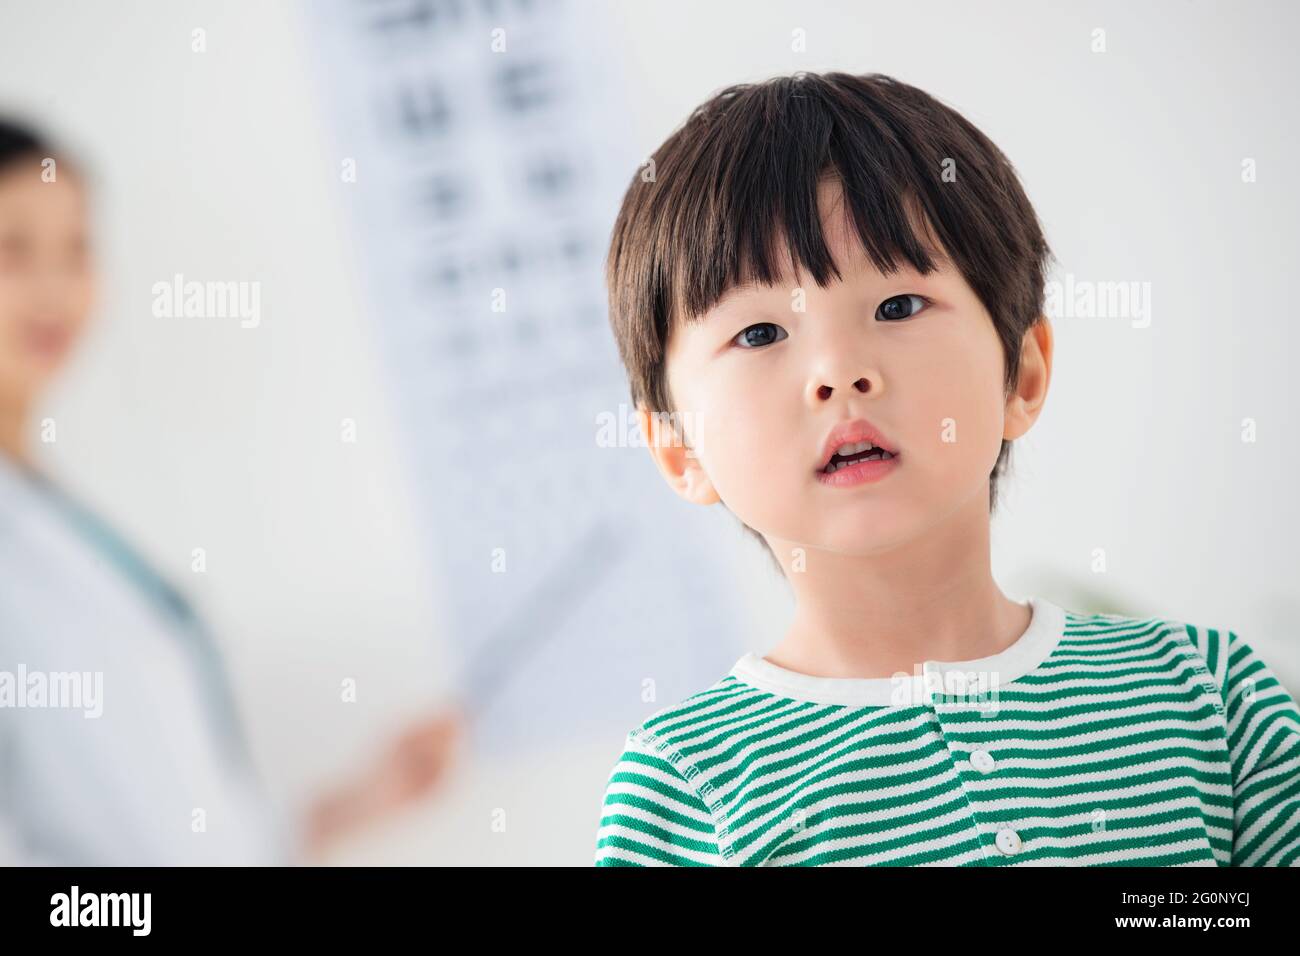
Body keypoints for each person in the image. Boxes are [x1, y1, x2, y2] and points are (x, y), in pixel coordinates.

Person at [593, 72, 1300, 866]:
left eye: (897, 307)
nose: (838, 372)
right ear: (679, 448)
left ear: (1022, 374)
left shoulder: (1208, 697)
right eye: (759, 334)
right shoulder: (687, 788)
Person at [0, 118, 464, 865]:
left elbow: (170, 818)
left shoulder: (51, 510)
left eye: (77, 248)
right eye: (13, 249)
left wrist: (361, 800)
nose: (55, 286)